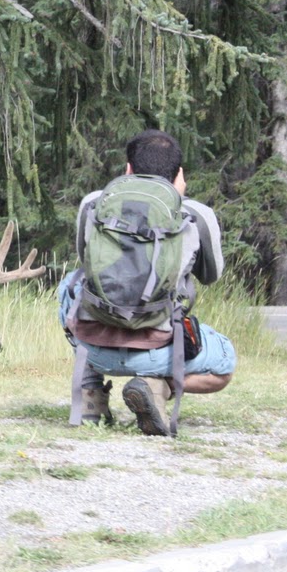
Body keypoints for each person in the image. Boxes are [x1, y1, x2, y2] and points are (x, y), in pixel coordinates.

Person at [59, 130, 236, 437]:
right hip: (160, 350)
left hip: (95, 345)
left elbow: (85, 260)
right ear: (179, 175)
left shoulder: (93, 204)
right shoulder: (195, 214)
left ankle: (90, 397)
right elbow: (211, 276)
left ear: (128, 169)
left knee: (69, 286)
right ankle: (158, 386)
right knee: (225, 366)